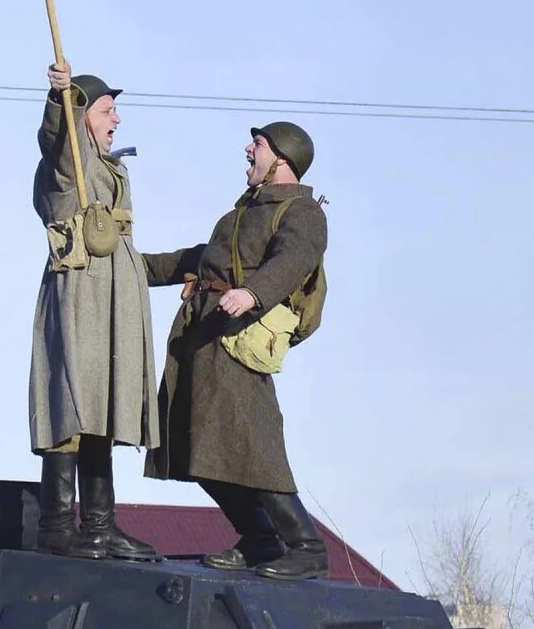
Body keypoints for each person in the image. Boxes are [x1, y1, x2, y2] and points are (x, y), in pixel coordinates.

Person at [143, 123, 332, 579]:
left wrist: (253, 294)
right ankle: (259, 538)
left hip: (239, 337)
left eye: (259, 145)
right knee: (196, 445)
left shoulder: (302, 211)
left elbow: (294, 259)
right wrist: (132, 266)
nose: (249, 149)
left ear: (282, 159)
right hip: (202, 335)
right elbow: (202, 257)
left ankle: (306, 546)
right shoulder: (244, 211)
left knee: (254, 443)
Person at [28, 60, 162, 561]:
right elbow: (58, 140)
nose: (117, 120)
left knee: (101, 406)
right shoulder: (72, 162)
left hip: (112, 301)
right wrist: (63, 99)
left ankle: (101, 526)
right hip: (80, 296)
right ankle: (58, 525)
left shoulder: (108, 167)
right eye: (107, 110)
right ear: (83, 117)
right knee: (72, 402)